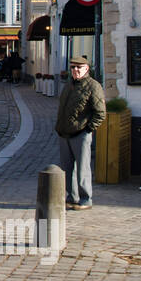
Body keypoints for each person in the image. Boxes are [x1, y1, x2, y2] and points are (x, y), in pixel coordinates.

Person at [55, 55, 106, 210]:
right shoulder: (69, 85)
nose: (75, 70)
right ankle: (72, 197)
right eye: (73, 67)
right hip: (65, 133)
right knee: (67, 169)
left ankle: (86, 198)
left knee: (83, 168)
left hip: (81, 133)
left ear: (86, 68)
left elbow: (100, 112)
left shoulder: (93, 86)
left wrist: (88, 129)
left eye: (79, 67)